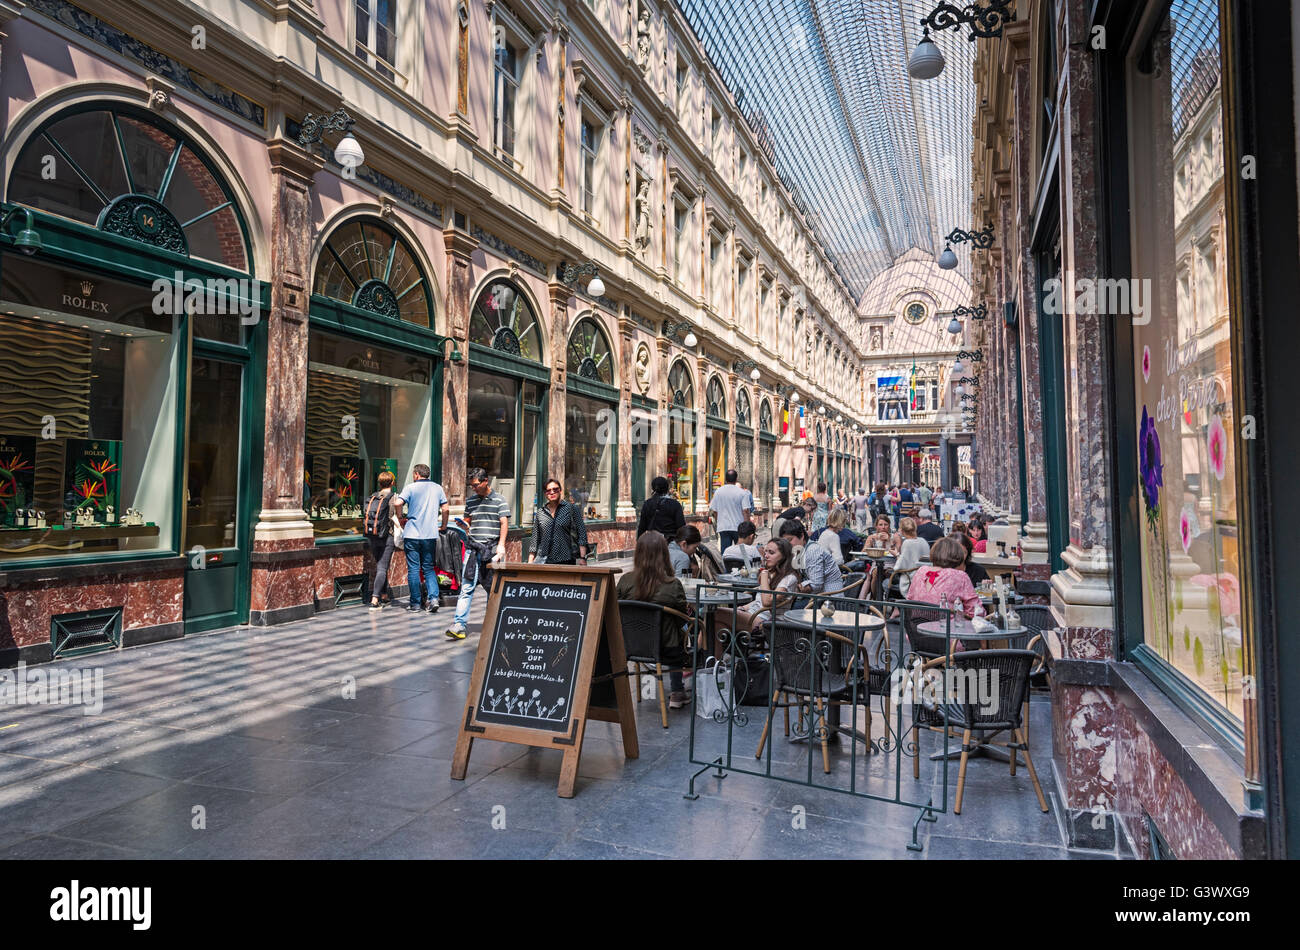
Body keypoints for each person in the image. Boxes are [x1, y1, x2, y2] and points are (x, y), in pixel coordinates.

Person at [616, 532, 691, 708]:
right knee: (678, 631)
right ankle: (677, 692)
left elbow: (614, 608)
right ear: (664, 555)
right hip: (668, 650)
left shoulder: (626, 580)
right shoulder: (672, 584)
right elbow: (682, 618)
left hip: (633, 646)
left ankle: (646, 691)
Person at [446, 467, 510, 641]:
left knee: (494, 588)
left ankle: (493, 623)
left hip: (493, 549)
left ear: (485, 481)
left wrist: (502, 546)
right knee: (466, 587)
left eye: (475, 485)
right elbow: (469, 519)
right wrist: (464, 524)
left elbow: (504, 523)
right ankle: (459, 625)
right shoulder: (471, 500)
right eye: (471, 485)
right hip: (472, 549)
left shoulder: (500, 500)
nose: (473, 488)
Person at [711, 537, 799, 639]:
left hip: (766, 622)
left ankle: (696, 651)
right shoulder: (772, 574)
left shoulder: (789, 578)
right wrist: (744, 607)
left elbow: (766, 602)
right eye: (765, 552)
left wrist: (765, 575)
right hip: (753, 614)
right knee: (717, 626)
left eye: (771, 552)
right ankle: (706, 654)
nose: (766, 556)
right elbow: (759, 601)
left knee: (715, 613)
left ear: (784, 556)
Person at [391, 463, 450, 613]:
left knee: (413, 569)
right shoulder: (438, 488)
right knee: (428, 568)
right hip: (430, 534)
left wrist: (400, 517)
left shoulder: (411, 487)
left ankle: (416, 604)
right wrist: (443, 525)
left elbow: (397, 502)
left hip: (412, 534)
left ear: (416, 474)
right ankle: (433, 598)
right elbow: (446, 508)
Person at [907, 536, 985, 619]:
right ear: (958, 555)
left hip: (916, 629)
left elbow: (909, 600)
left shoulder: (921, 571)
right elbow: (976, 611)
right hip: (947, 629)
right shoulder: (960, 576)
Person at [528, 478, 588, 565]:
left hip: (566, 559)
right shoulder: (541, 512)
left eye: (555, 489)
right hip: (543, 560)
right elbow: (535, 538)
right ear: (545, 494)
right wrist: (530, 561)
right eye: (548, 491)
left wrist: (582, 558)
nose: (552, 492)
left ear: (560, 490)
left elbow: (581, 533)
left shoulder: (571, 508)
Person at [363, 470, 397, 609]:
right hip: (387, 535)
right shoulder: (393, 498)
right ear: (392, 483)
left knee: (380, 566)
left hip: (373, 535)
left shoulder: (373, 496)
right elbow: (396, 516)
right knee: (382, 568)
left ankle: (384, 595)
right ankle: (375, 600)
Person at [780, 519, 842, 595]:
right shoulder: (799, 549)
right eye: (784, 541)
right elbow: (797, 575)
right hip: (816, 595)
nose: (787, 544)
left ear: (802, 536)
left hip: (829, 598)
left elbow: (816, 585)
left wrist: (795, 589)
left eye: (790, 539)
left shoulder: (812, 551)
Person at [708, 469, 753, 553]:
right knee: (741, 551)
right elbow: (746, 511)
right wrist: (747, 526)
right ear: (736, 479)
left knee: (725, 552)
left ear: (725, 479)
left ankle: (726, 566)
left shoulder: (718, 492)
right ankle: (740, 565)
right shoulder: (742, 493)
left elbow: (714, 511)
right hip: (738, 527)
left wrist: (719, 522)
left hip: (724, 527)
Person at [891, 517, 930, 598]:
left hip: (911, 580)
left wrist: (896, 554)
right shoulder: (923, 541)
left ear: (901, 530)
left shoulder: (907, 543)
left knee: (885, 582)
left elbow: (899, 567)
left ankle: (897, 608)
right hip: (925, 579)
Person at [637, 475, 686, 540]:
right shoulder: (675, 504)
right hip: (670, 542)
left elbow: (642, 527)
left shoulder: (647, 504)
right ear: (667, 488)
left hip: (652, 542)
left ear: (653, 488)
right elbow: (681, 526)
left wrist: (639, 543)